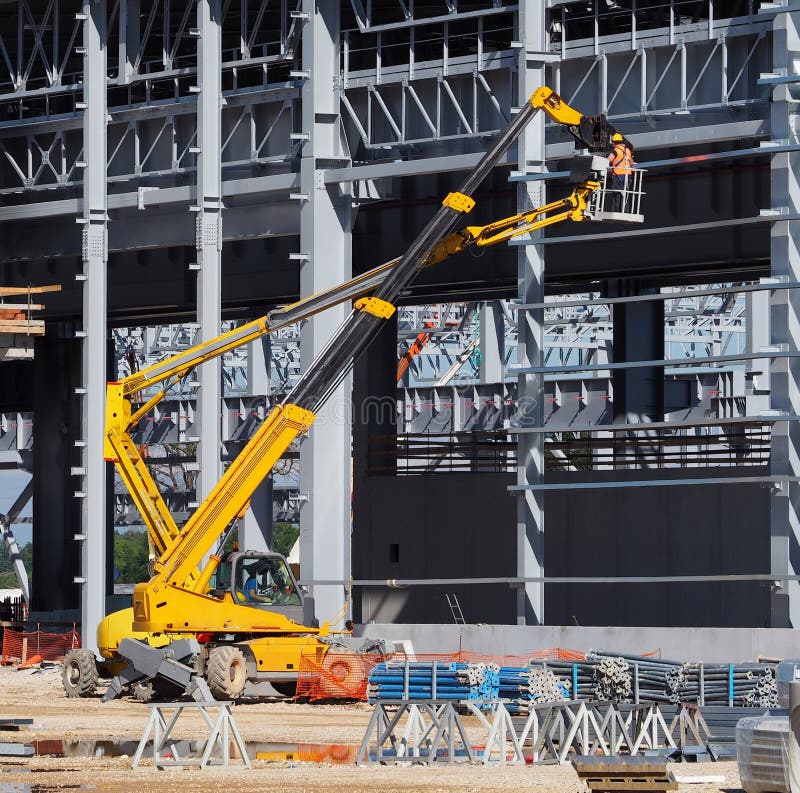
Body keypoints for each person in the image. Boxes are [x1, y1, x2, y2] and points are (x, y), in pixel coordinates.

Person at [607, 132, 634, 212]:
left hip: (618, 175)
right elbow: (631, 162)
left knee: (617, 195)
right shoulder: (628, 150)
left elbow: (608, 160)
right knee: (625, 195)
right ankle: (626, 212)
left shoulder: (615, 151)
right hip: (628, 175)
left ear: (613, 142)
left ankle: (617, 212)